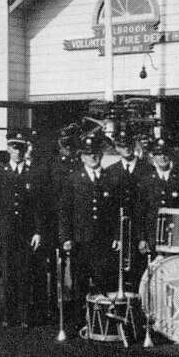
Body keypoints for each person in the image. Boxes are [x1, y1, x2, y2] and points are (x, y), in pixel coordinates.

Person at [0, 130, 46, 327]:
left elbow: (38, 206)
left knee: (25, 273)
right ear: (8, 148)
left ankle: (25, 315)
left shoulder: (33, 173)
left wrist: (38, 231)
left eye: (21, 147)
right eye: (13, 147)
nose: (17, 151)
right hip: (6, 232)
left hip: (26, 232)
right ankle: (8, 315)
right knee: (8, 273)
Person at [58, 129, 118, 305]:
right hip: (80, 240)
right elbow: (65, 211)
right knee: (80, 283)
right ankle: (80, 322)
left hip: (104, 241)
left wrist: (117, 236)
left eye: (96, 154)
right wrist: (66, 237)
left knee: (104, 282)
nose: (93, 157)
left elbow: (116, 211)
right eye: (88, 154)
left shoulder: (111, 178)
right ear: (82, 157)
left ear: (101, 155)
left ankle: (101, 324)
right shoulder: (73, 179)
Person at [103, 123, 148, 291]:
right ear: (116, 148)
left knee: (141, 277)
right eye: (121, 145)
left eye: (129, 143)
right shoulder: (110, 171)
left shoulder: (147, 168)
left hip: (140, 230)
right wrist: (116, 234)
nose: (126, 148)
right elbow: (109, 208)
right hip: (120, 232)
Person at [137, 137, 179, 253]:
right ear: (152, 156)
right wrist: (142, 238)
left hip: (175, 236)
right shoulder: (146, 181)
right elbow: (141, 212)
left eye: (165, 153)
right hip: (152, 235)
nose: (162, 157)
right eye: (158, 154)